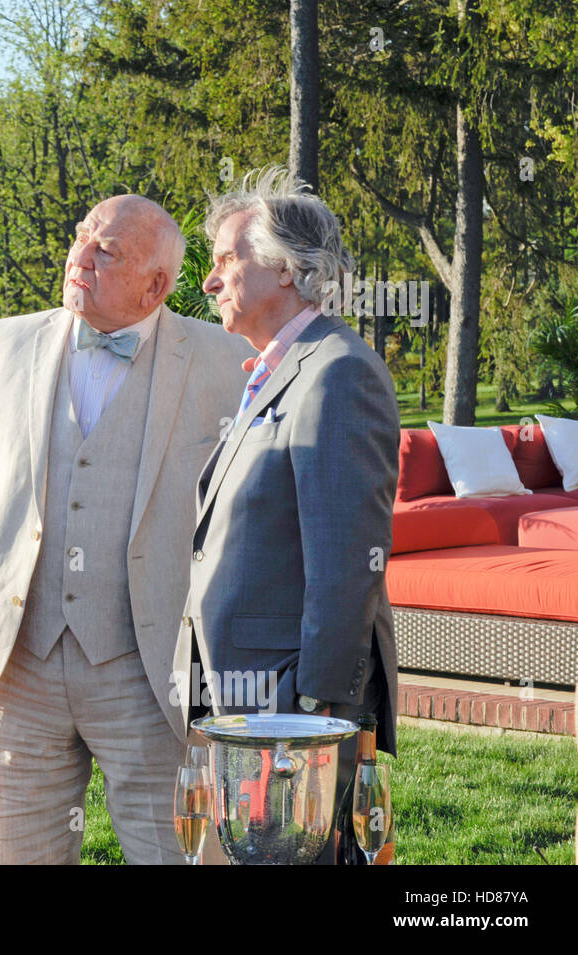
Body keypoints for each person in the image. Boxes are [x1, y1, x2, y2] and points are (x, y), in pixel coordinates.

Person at [0, 195, 252, 864]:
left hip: (155, 676)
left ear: (155, 284)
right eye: (81, 238)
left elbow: (250, 514)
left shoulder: (226, 360)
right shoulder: (2, 343)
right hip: (12, 670)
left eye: (107, 251)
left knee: (187, 859)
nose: (80, 256)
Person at [171, 166, 400, 864]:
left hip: (291, 720)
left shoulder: (336, 371)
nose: (209, 283)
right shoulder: (278, 367)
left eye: (226, 261)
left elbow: (344, 563)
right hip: (247, 711)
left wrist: (316, 721)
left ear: (289, 270)